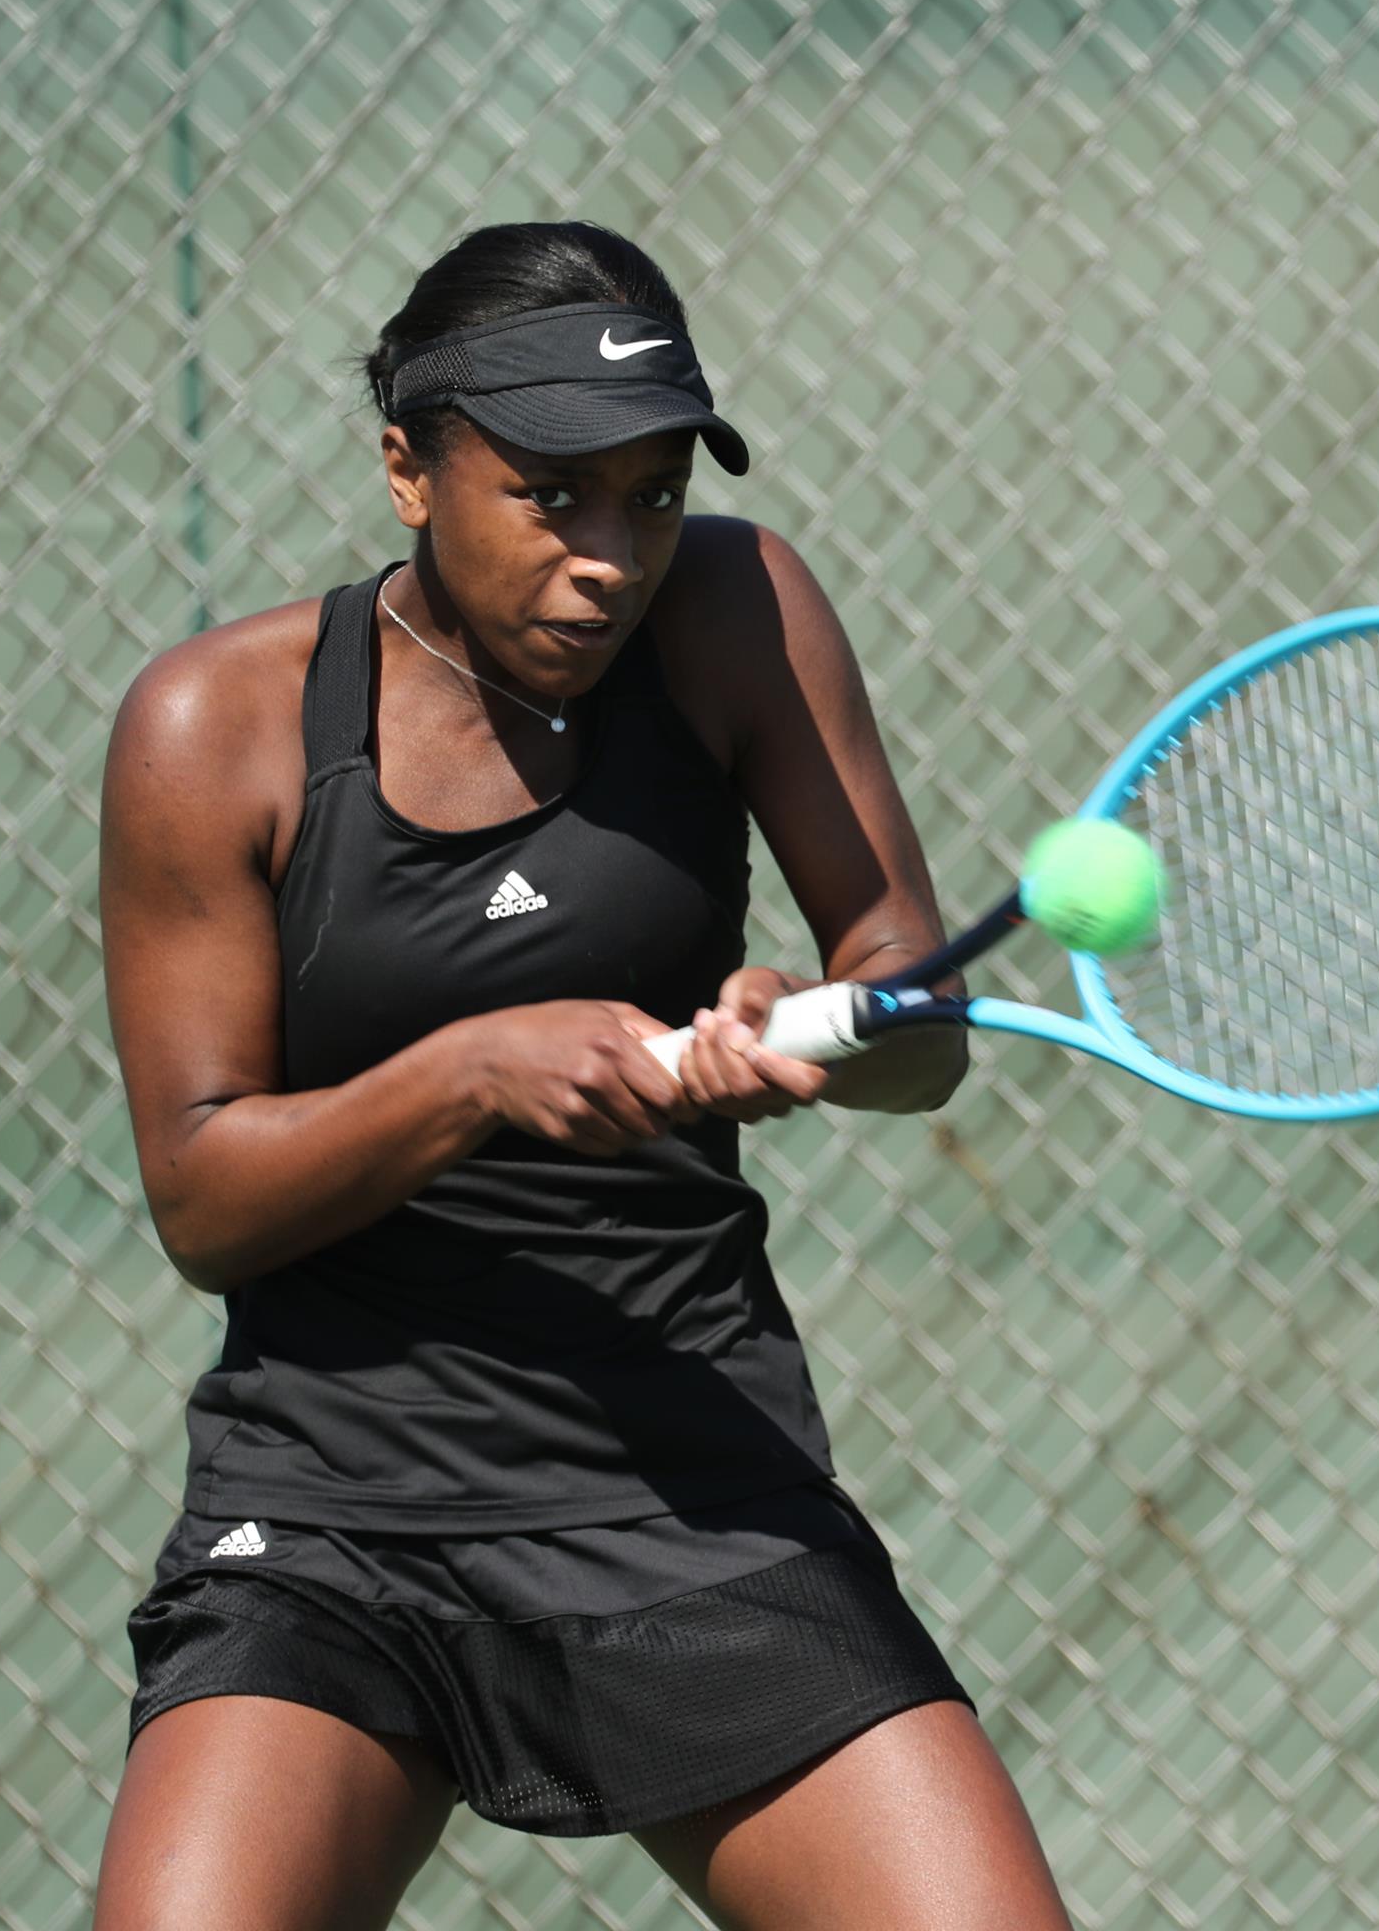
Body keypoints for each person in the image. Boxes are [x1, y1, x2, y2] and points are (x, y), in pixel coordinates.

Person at [91, 219, 1073, 1930]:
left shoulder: (740, 615)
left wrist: (824, 1034)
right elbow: (201, 1198)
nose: (612, 555)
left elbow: (917, 1019)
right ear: (409, 468)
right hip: (334, 1513)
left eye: (651, 494)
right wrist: (466, 1078)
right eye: (554, 494)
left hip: (684, 1490)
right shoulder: (215, 725)